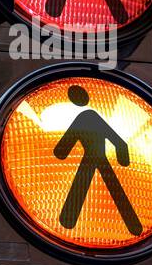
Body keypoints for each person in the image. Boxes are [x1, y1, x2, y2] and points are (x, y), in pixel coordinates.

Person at [53, 84, 143, 235]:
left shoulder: (85, 117)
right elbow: (117, 140)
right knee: (114, 188)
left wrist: (61, 152)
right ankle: (134, 226)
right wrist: (123, 155)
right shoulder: (90, 116)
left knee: (82, 186)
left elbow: (66, 143)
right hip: (98, 157)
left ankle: (67, 221)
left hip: (92, 158)